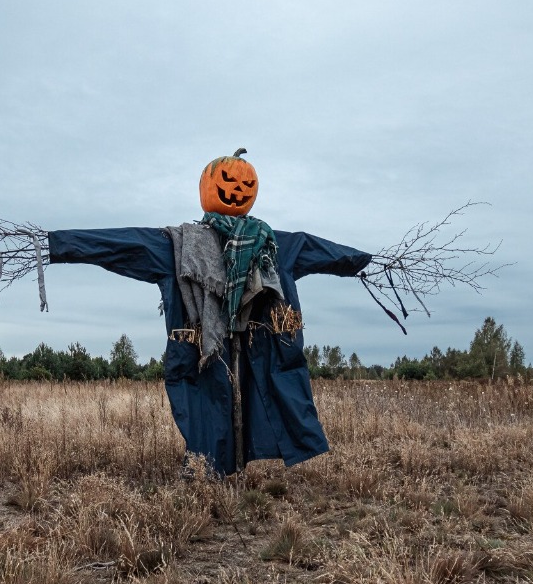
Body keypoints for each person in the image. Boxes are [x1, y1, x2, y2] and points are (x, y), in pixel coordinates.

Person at [46, 150, 370, 475]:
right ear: (209, 185)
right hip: (203, 341)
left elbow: (315, 247)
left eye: (246, 183)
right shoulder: (180, 243)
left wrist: (359, 260)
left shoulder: (270, 244)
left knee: (266, 390)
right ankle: (210, 470)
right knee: (206, 399)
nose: (236, 189)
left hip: (260, 339)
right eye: (227, 180)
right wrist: (61, 245)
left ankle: (233, 466)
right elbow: (127, 245)